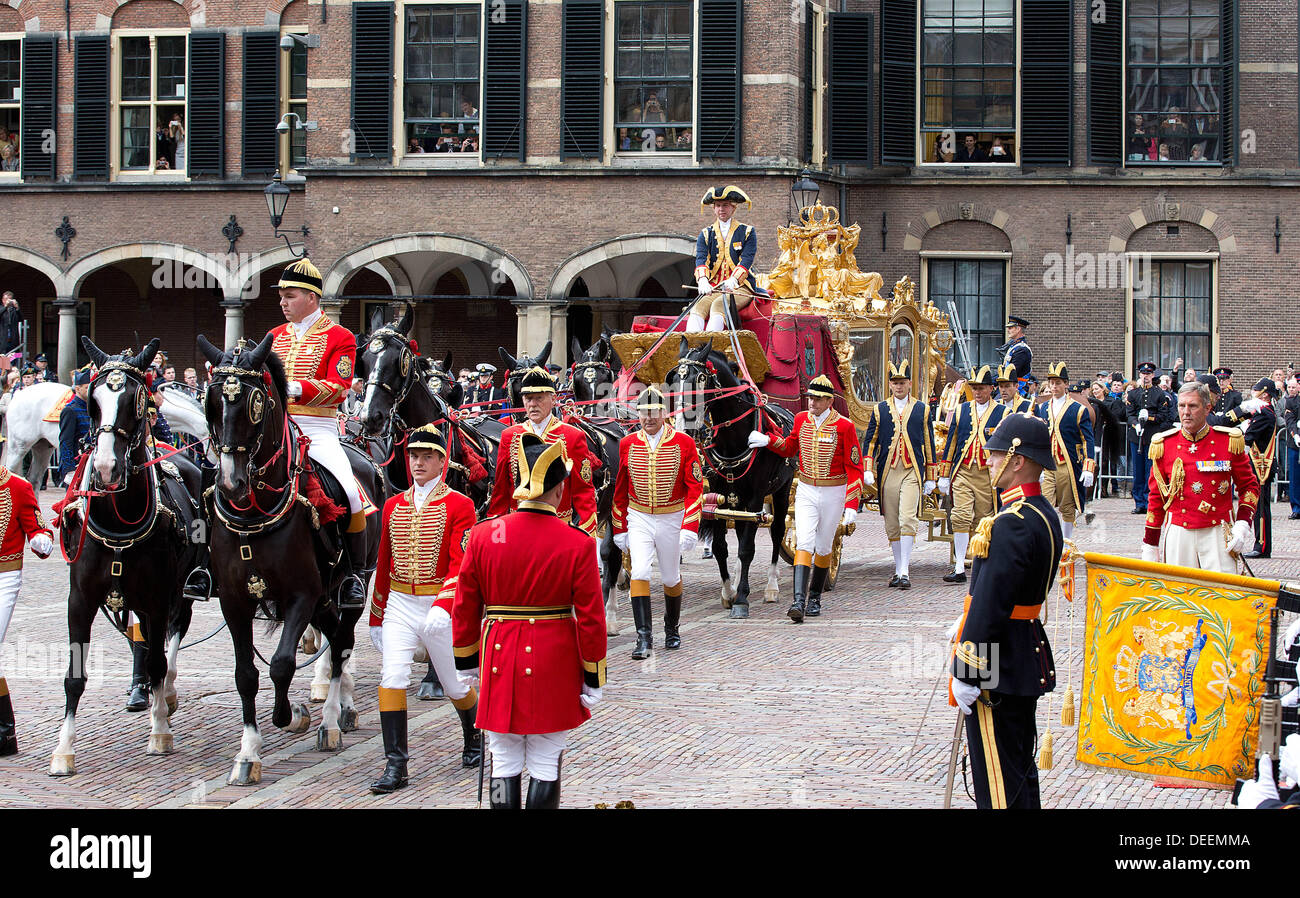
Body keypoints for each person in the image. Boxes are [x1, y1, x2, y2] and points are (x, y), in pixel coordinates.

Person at [452, 432, 608, 809]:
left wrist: (467, 661)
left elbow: (464, 605)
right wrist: (593, 675)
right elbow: (591, 618)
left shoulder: (484, 535)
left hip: (499, 653)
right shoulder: (579, 543)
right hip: (555, 657)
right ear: (558, 491)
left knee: (502, 759)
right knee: (544, 760)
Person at [949, 414, 1061, 810]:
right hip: (1021, 652)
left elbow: (993, 604)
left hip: (999, 661)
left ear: (1017, 461)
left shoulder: (1011, 523)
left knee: (998, 783)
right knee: (1017, 771)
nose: (988, 461)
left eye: (995, 455)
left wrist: (966, 670)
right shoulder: (1042, 512)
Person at [367, 425, 480, 793]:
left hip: (438, 606)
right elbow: (383, 561)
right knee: (392, 677)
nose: (418, 463)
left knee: (454, 683)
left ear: (442, 462)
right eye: (413, 456)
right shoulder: (392, 505)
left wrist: (445, 604)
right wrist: (377, 615)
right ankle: (396, 765)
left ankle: (473, 735)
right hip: (400, 602)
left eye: (427, 456)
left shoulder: (460, 505)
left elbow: (459, 562)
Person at [269, 258, 370, 608]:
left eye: (290, 295)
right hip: (278, 427)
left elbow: (339, 388)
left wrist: (292, 387)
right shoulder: (273, 337)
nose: (283, 302)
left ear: (312, 297)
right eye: (281, 296)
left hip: (317, 426)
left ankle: (354, 573)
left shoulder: (340, 337)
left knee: (352, 493)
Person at [750, 374, 863, 621]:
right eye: (810, 398)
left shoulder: (845, 426)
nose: (812, 403)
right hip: (807, 490)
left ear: (829, 401)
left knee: (823, 546)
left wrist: (852, 503)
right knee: (804, 542)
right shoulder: (801, 420)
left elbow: (855, 467)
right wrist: (767, 441)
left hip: (833, 491)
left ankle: (814, 598)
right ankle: (798, 601)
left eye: (817, 399)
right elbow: (790, 447)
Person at [611, 386, 703, 658]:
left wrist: (689, 527)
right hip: (639, 517)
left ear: (664, 412)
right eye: (643, 413)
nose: (648, 418)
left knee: (671, 576)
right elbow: (620, 489)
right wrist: (620, 528)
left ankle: (672, 629)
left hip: (671, 517)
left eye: (653, 412)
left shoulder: (684, 443)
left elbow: (695, 488)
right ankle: (644, 638)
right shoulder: (627, 443)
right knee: (639, 572)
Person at [1140, 381, 1258, 573]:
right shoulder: (1164, 444)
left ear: (1207, 408)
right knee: (1179, 597)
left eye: (1193, 406)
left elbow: (1249, 486)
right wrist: (1150, 544)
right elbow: (1156, 498)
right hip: (1179, 532)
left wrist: (1242, 525)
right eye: (1181, 405)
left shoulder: (1228, 441)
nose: (1186, 412)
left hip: (1217, 531)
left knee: (1222, 595)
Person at [487, 366, 598, 536]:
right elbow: (500, 491)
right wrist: (496, 533)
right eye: (528, 398)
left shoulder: (573, 436)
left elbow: (583, 491)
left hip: (558, 528)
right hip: (517, 528)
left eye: (539, 398)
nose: (532, 404)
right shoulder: (509, 436)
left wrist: (587, 533)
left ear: (553, 399)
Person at [861, 360, 937, 589]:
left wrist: (932, 475)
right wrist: (868, 468)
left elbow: (929, 442)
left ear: (909, 383)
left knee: (907, 517)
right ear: (890, 385)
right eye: (895, 383)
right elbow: (871, 441)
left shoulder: (922, 409)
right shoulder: (880, 409)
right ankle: (898, 568)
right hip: (888, 471)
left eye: (902, 382)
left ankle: (905, 571)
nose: (899, 386)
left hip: (912, 470)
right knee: (892, 521)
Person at [0, 462, 55, 756]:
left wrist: (40, 539)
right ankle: (5, 733)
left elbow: (37, 527)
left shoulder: (18, 487)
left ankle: (5, 732)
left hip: (3, 576)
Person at [937, 365, 1006, 584]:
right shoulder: (961, 410)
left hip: (986, 474)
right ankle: (958, 566)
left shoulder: (1002, 412)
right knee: (960, 516)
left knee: (982, 519)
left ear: (990, 389)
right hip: (963, 470)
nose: (977, 392)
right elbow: (952, 442)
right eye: (974, 388)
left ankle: (978, 564)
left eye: (982, 388)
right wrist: (944, 474)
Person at [1035, 363, 1095, 540]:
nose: (1054, 387)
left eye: (1058, 383)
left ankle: (1067, 543)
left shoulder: (1078, 409)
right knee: (1044, 503)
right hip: (1047, 464)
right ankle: (1049, 542)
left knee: (1067, 507)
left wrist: (1088, 466)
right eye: (1052, 383)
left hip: (1067, 464)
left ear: (1066, 384)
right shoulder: (1043, 408)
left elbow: (1087, 439)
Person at [689, 186, 761, 332]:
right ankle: (692, 347)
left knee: (718, 305)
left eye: (725, 205)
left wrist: (734, 280)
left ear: (733, 208)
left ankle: (711, 345)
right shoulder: (705, 234)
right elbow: (701, 258)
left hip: (741, 287)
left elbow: (746, 259)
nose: (721, 209)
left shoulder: (747, 232)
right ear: (714, 208)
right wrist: (702, 280)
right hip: (715, 286)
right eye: (718, 205)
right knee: (697, 307)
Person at [1125, 361, 1174, 515]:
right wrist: (1135, 424)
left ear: (1153, 375)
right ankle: (1139, 502)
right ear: (1139, 375)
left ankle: (1150, 500)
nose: (1145, 376)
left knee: (1150, 470)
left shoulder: (1159, 394)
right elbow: (1129, 413)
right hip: (1137, 436)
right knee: (1137, 471)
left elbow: (1163, 415)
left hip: (1152, 436)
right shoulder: (1133, 394)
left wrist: (1150, 418)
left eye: (1148, 374)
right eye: (1143, 373)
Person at [1243, 378, 1280, 559]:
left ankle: (1262, 546)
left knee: (1261, 509)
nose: (1252, 393)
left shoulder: (1264, 413)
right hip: (1258, 465)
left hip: (1262, 467)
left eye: (1255, 390)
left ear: (1264, 394)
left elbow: (1248, 437)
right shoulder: (1261, 412)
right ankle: (1260, 544)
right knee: (1258, 507)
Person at [57, 365, 93, 487]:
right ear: (77, 388)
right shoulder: (70, 410)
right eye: (87, 388)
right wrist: (69, 469)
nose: (90, 391)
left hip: (91, 464)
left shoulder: (93, 409)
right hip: (76, 465)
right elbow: (65, 441)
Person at [999, 316, 1032, 390]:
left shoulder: (1022, 349)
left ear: (1018, 329)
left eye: (1010, 328)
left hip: (1017, 388)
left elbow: (1011, 372)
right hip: (1008, 385)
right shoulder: (1014, 347)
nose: (1008, 330)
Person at [1285, 378, 1300, 520]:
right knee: (1295, 476)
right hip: (1296, 443)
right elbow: (1290, 420)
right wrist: (1295, 435)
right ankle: (1296, 507)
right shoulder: (1291, 401)